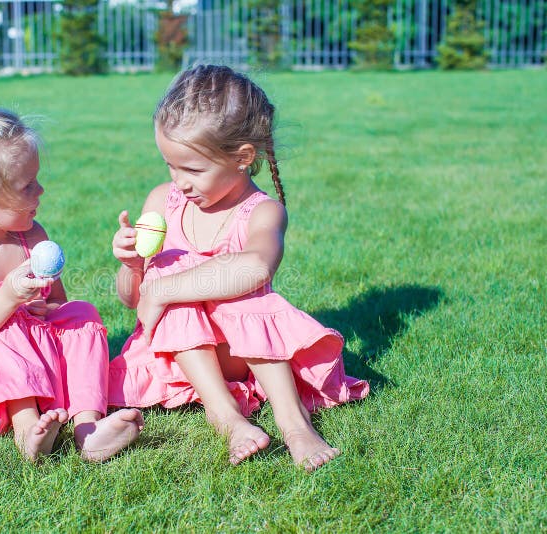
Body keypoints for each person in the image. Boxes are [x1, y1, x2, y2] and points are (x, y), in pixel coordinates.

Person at [108, 66, 369, 471]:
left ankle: (294, 422)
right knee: (169, 275)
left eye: (193, 169)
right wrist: (133, 265)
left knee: (237, 285)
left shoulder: (261, 212)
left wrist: (167, 287)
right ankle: (225, 415)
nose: (179, 182)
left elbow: (258, 267)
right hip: (184, 358)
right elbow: (134, 301)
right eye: (170, 166)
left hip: (245, 350)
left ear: (243, 158)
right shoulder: (162, 201)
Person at [0, 108, 143, 462]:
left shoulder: (32, 237)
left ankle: (88, 428)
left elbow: (59, 307)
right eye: (27, 185)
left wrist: (43, 308)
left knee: (81, 313)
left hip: (31, 354)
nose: (41, 189)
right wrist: (8, 299)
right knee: (7, 327)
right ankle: (27, 431)